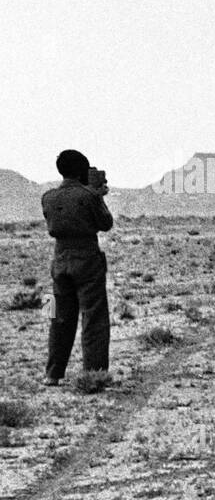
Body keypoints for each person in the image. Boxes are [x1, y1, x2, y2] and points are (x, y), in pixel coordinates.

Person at [41, 150, 113, 386]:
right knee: (94, 317)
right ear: (82, 170)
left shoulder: (48, 197)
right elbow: (105, 224)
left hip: (59, 259)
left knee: (58, 317)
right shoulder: (88, 196)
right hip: (87, 259)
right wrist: (98, 196)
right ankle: (94, 373)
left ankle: (53, 373)